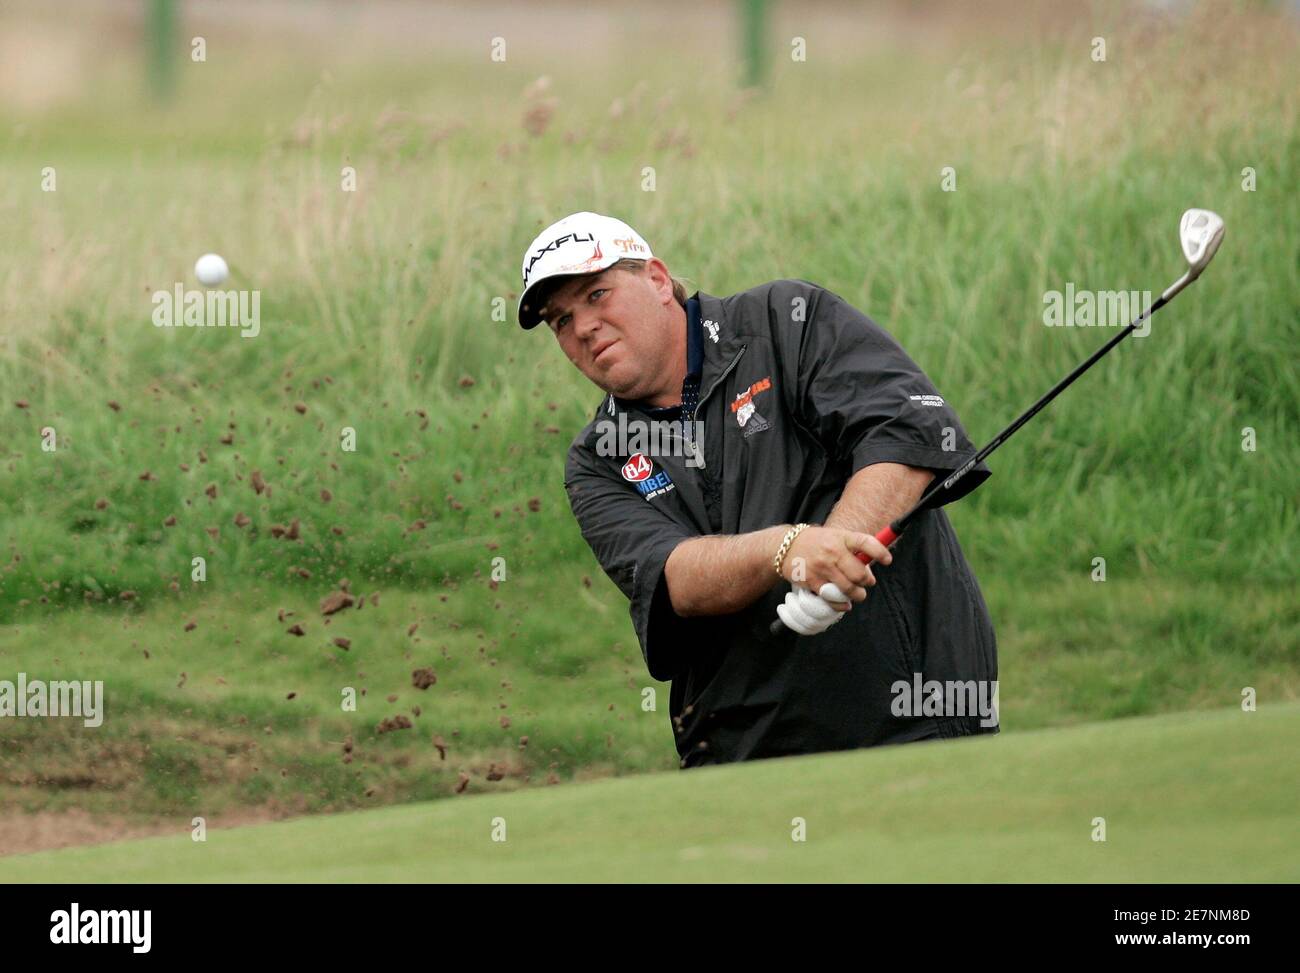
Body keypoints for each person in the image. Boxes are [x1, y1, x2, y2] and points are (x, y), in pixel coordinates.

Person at [518, 211, 998, 767]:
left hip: (911, 719)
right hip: (740, 754)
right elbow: (676, 577)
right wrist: (789, 550)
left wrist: (836, 550)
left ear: (655, 278)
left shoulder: (786, 322)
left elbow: (906, 435)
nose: (582, 327)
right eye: (561, 321)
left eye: (597, 294)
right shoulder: (598, 457)